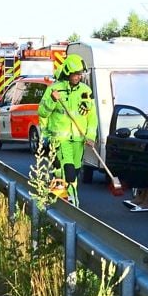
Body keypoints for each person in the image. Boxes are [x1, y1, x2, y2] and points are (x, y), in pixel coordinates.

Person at [37, 54, 99, 207]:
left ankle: (60, 195)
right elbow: (42, 112)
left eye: (80, 74)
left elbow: (92, 117)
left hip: (79, 139)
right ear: (67, 73)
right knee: (69, 171)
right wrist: (52, 100)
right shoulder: (54, 90)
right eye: (75, 74)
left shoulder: (86, 91)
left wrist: (90, 136)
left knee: (74, 172)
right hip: (60, 139)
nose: (78, 77)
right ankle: (73, 203)